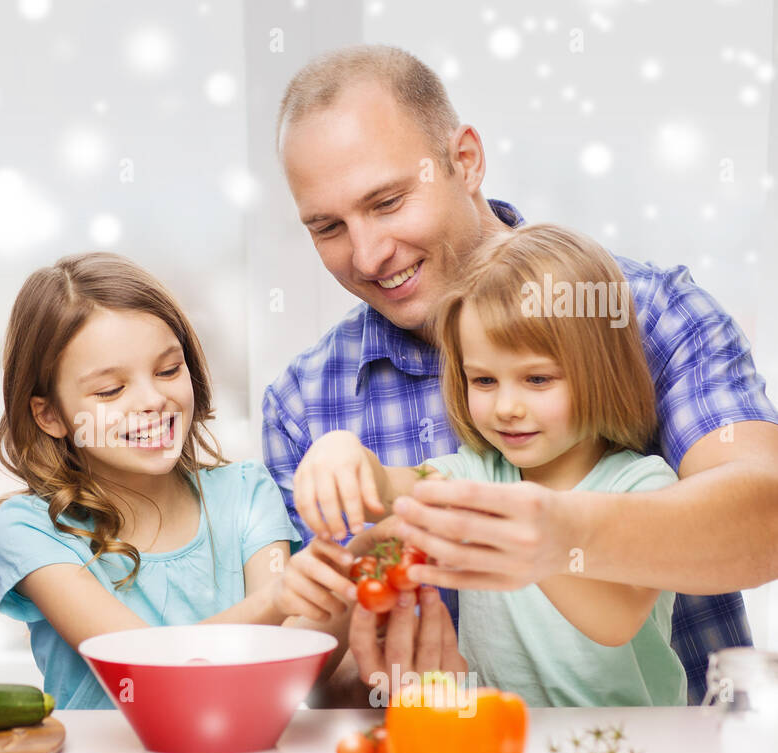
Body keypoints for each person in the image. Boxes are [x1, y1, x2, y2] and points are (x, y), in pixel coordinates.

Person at [264, 45, 778, 704]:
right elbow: (304, 676)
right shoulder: (303, 401)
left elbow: (764, 517)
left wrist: (561, 535)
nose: (367, 254)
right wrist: (369, 674)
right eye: (328, 227)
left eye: (388, 202)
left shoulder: (646, 311)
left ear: (466, 160)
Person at [292, 223, 687, 706]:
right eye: (483, 381)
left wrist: (528, 532)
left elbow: (616, 620)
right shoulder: (477, 474)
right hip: (502, 741)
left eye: (537, 379)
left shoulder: (643, 484)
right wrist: (340, 450)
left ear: (602, 370)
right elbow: (387, 490)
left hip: (620, 749)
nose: (506, 407)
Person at [0, 252, 318, 709]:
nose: (153, 400)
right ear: (49, 414)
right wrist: (281, 599)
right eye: (110, 390)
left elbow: (280, 664)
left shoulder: (246, 494)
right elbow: (146, 671)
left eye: (168, 370)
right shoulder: (32, 529)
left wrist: (342, 583)